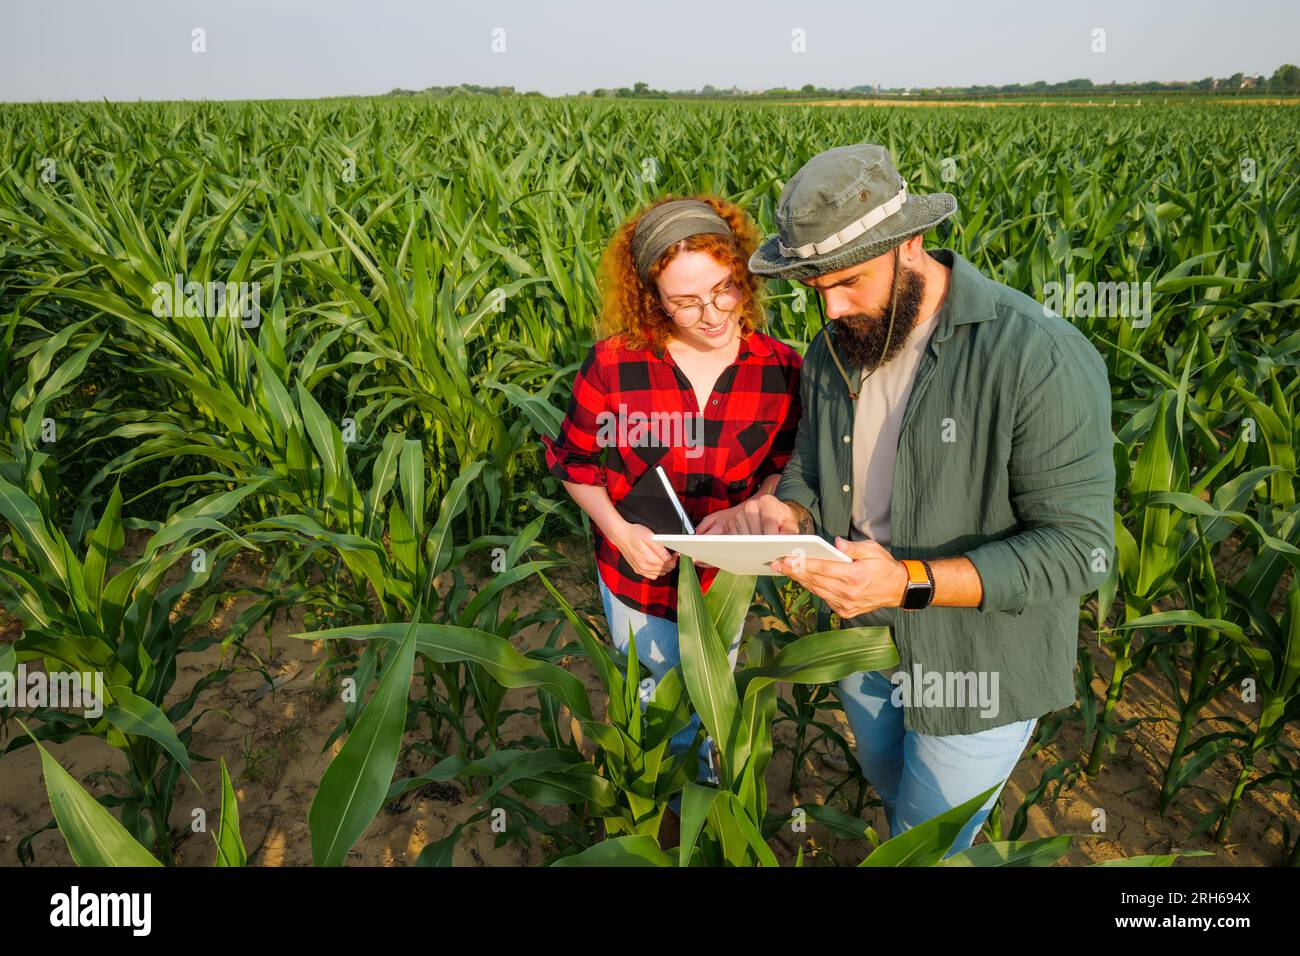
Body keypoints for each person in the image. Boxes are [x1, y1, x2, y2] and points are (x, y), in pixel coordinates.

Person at [726, 144, 1115, 858]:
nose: (832, 308)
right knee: (890, 783)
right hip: (860, 640)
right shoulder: (836, 347)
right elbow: (812, 463)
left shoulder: (1035, 355)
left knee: (920, 845)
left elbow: (1077, 551)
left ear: (911, 243)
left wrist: (908, 580)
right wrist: (791, 510)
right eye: (814, 289)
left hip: (976, 662)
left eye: (848, 282)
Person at [542, 194, 802, 817]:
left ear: (743, 276)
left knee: (712, 706)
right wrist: (619, 529)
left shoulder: (782, 370)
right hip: (638, 580)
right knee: (658, 714)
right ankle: (661, 819)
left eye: (724, 290)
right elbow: (575, 465)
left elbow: (790, 471)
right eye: (685, 301)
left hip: (725, 583)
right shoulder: (615, 364)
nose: (711, 313)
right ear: (651, 298)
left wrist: (758, 506)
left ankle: (706, 815)